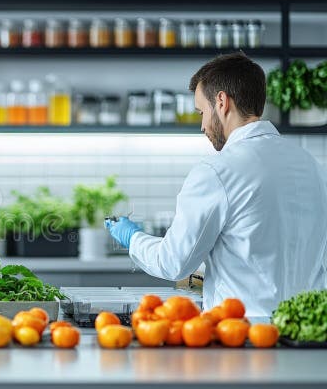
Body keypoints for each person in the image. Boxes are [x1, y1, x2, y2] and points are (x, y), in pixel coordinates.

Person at [106, 52, 327, 316]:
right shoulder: (313, 166)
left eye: (202, 112)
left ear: (221, 102)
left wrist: (132, 238)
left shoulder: (217, 171)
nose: (202, 126)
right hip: (305, 331)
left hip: (241, 331)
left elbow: (172, 262)